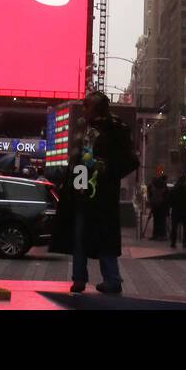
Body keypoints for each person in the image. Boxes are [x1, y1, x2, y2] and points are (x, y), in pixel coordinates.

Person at [50, 91, 139, 295]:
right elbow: (77, 159)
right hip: (82, 191)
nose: (83, 109)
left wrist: (105, 167)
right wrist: (73, 185)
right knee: (79, 236)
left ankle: (112, 280)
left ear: (97, 108)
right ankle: (79, 279)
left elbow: (131, 161)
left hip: (103, 195)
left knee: (104, 238)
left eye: (87, 106)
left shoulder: (116, 129)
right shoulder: (83, 126)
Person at [168, 173, 186, 249]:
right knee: (185, 228)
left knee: (174, 227)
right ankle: (185, 243)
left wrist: (172, 206)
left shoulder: (174, 189)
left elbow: (170, 200)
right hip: (185, 211)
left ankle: (173, 242)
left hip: (176, 210)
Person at [147, 167, 170, 241]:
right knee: (162, 221)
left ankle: (155, 235)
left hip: (155, 206)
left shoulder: (153, 187)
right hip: (162, 206)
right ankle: (162, 235)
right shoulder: (164, 187)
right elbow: (167, 198)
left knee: (156, 221)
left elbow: (150, 195)